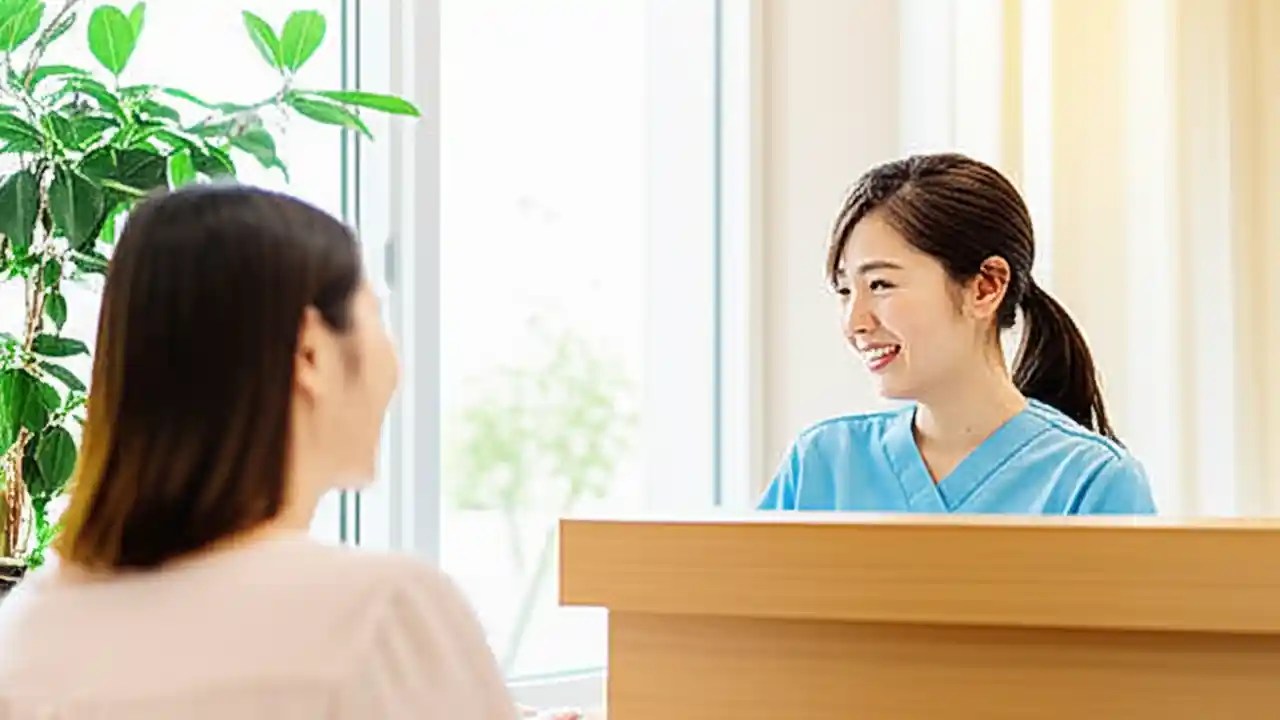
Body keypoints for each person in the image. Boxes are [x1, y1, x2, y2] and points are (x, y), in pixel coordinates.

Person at [0, 187, 573, 719]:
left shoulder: (25, 632)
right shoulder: (381, 617)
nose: (395, 367)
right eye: (375, 316)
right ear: (310, 353)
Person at [759, 153, 1156, 515]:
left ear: (986, 287)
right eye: (845, 290)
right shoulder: (822, 465)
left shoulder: (1093, 483)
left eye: (880, 284)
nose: (854, 322)